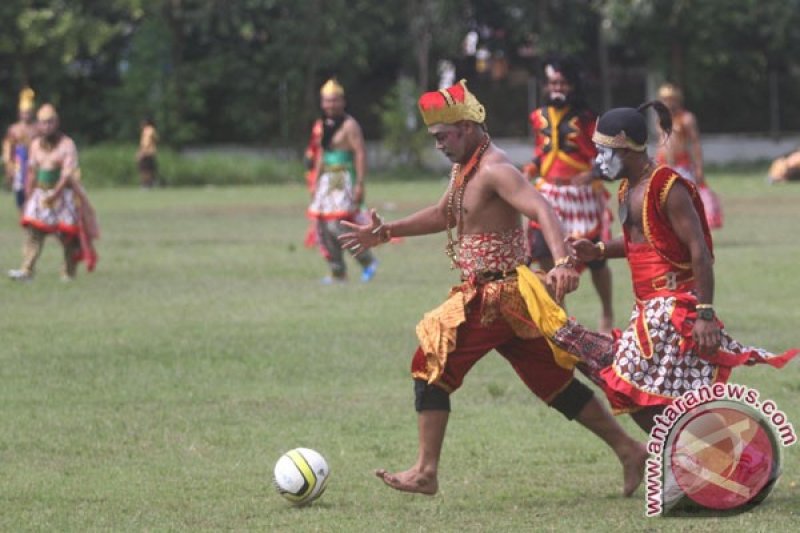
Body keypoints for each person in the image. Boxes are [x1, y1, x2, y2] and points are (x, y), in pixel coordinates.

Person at [339, 80, 647, 496]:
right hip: (507, 301)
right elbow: (443, 212)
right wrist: (387, 231)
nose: (438, 146)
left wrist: (560, 261)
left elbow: (542, 207)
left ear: (466, 127)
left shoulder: (495, 169)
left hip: (496, 300)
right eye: (434, 139)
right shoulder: (465, 166)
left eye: (442, 136)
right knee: (552, 382)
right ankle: (631, 451)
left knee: (431, 359)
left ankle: (426, 470)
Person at [517, 101, 798, 433]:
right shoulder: (626, 189)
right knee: (639, 395)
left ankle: (707, 458)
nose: (597, 161)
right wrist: (598, 250)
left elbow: (700, 252)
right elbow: (647, 244)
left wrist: (705, 314)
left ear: (625, 147)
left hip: (673, 308)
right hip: (648, 308)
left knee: (625, 384)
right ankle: (704, 458)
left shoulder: (667, 187)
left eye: (603, 151)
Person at [526, 58, 614, 333]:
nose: (557, 88)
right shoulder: (537, 116)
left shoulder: (589, 119)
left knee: (596, 257)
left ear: (573, 86)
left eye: (562, 83)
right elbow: (542, 152)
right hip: (549, 192)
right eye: (553, 83)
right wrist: (531, 167)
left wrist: (593, 174)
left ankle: (607, 311)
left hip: (581, 196)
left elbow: (607, 156)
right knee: (543, 251)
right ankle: (561, 317)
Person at [8, 104, 98, 281]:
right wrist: (28, 195)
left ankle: (68, 273)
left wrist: (55, 194)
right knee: (34, 233)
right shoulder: (35, 145)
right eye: (42, 123)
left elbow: (67, 173)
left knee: (67, 236)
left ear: (56, 122)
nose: (46, 127)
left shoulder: (67, 144)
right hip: (41, 193)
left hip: (62, 195)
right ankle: (27, 270)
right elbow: (32, 172)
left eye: (49, 122)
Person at [307, 78, 378, 283]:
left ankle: (367, 261)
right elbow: (321, 153)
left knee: (339, 226)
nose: (331, 105)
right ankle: (337, 271)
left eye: (335, 100)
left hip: (343, 179)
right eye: (327, 101)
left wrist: (360, 183)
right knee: (321, 226)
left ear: (342, 101)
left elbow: (360, 154)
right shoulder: (322, 125)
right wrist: (315, 180)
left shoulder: (350, 125)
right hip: (326, 181)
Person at [655, 83, 722, 229]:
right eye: (665, 99)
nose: (668, 102)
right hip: (663, 164)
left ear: (677, 100)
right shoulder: (661, 119)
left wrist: (699, 168)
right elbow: (661, 143)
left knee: (686, 198)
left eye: (671, 99)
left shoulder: (686, 118)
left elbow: (695, 144)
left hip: (682, 165)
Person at [2, 88, 39, 211]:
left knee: (34, 192)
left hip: (33, 164)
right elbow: (8, 149)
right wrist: (9, 166)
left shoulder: (37, 128)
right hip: (19, 166)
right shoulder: (14, 129)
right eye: (24, 112)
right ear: (19, 113)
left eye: (28, 112)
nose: (26, 115)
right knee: (20, 194)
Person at [137, 117, 159, 188]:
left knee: (145, 170)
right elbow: (156, 139)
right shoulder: (152, 130)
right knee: (149, 169)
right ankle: (150, 183)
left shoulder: (148, 130)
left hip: (147, 153)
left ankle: (146, 184)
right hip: (151, 152)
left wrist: (141, 153)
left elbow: (146, 144)